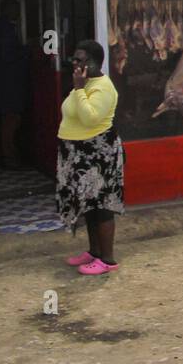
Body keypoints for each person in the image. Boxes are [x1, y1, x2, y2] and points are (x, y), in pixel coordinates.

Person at [57, 39, 124, 275]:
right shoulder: (85, 84)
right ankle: (94, 252)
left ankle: (107, 259)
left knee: (102, 204)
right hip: (80, 154)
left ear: (94, 63)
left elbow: (90, 118)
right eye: (73, 59)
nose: (74, 63)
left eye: (79, 60)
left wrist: (77, 89)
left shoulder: (103, 87)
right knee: (89, 205)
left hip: (98, 153)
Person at [0, 0, 30, 167]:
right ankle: (9, 156)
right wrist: (27, 49)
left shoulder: (2, 28)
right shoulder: (4, 29)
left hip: (4, 81)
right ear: (7, 10)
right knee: (10, 119)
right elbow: (8, 56)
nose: (19, 13)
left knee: (10, 119)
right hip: (8, 82)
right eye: (16, 9)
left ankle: (9, 154)